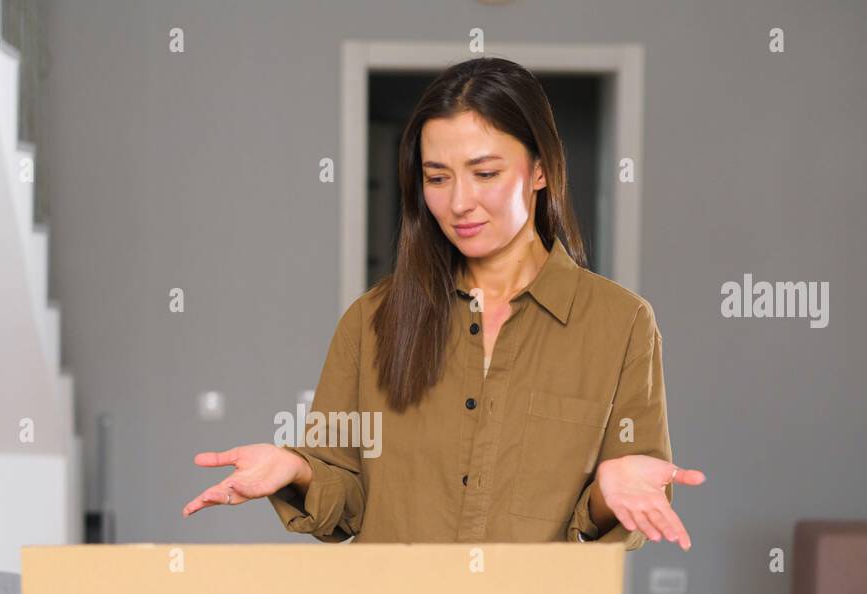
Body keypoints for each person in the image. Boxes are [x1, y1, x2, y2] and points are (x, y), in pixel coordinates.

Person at [183, 57, 704, 550]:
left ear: (540, 169)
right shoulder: (372, 320)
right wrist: (296, 468)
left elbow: (619, 509)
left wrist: (607, 494)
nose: (458, 203)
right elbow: (344, 499)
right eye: (437, 178)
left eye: (485, 173)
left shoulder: (622, 324)